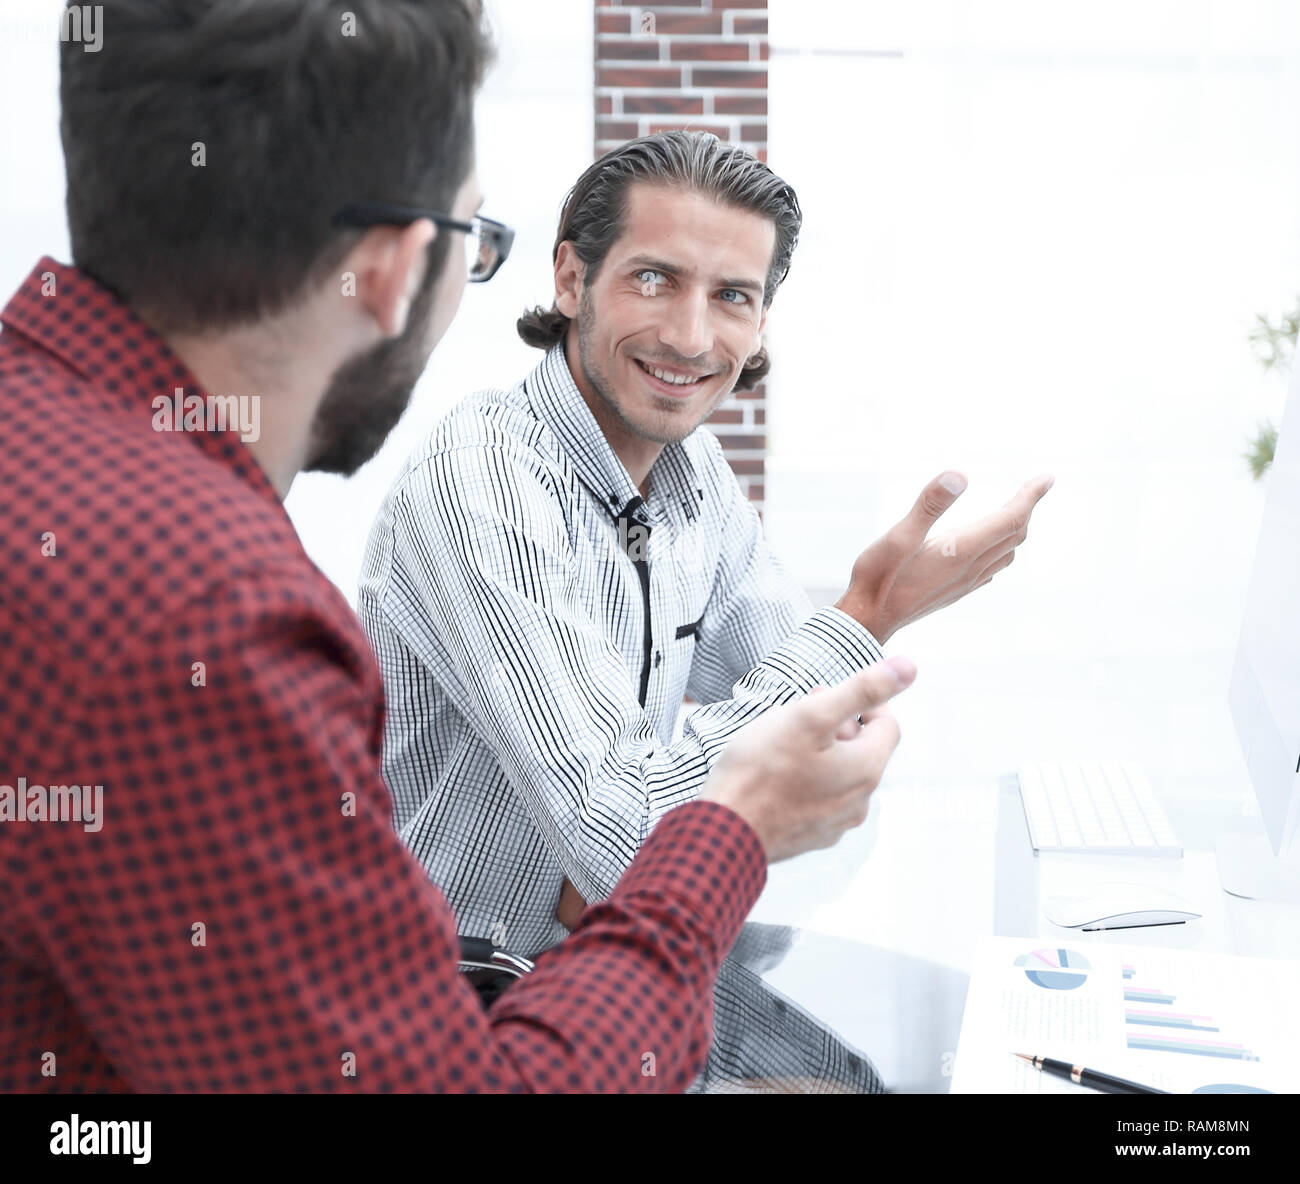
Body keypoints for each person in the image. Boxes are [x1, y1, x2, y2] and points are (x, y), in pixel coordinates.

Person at [0, 0, 911, 1093]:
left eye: (735, 299)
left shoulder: (47, 450)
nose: (690, 335)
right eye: (477, 240)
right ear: (395, 266)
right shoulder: (215, 614)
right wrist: (726, 825)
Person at [359, 130, 1054, 956]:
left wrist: (659, 816)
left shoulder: (695, 473)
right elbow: (631, 844)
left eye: (732, 296)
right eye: (655, 280)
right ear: (573, 278)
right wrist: (865, 619)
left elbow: (820, 748)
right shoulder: (483, 478)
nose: (691, 339)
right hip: (433, 1006)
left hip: (600, 975)